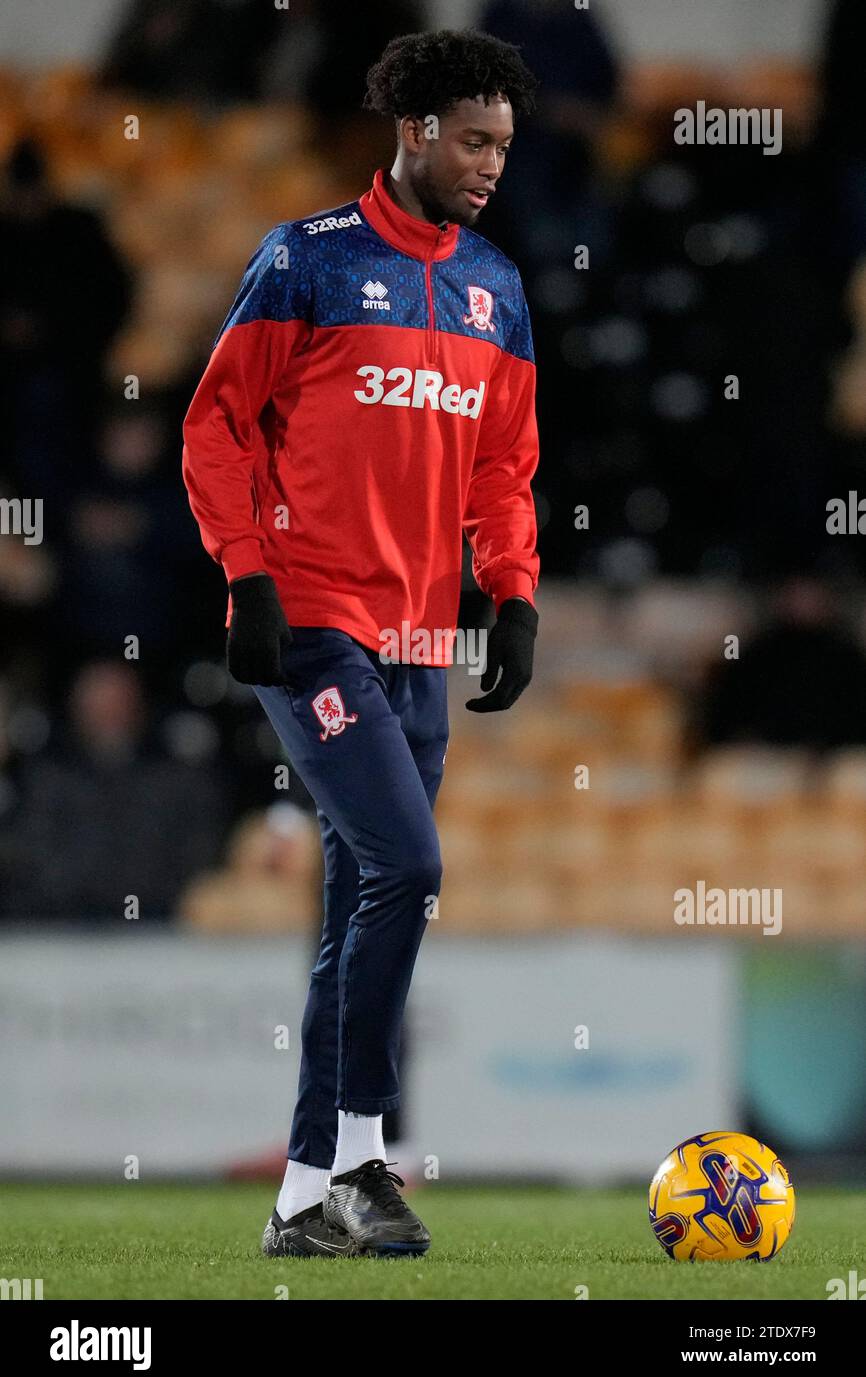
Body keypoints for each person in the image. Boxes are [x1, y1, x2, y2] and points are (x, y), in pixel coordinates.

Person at [181, 29, 541, 1259]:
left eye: (503, 144)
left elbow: (502, 466)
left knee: (358, 905)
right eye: (473, 141)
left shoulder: (495, 284)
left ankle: (299, 1197)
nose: (492, 164)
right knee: (408, 868)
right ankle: (365, 1156)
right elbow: (215, 426)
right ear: (414, 129)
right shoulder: (307, 262)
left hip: (420, 637)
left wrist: (514, 593)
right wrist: (248, 581)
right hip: (312, 626)